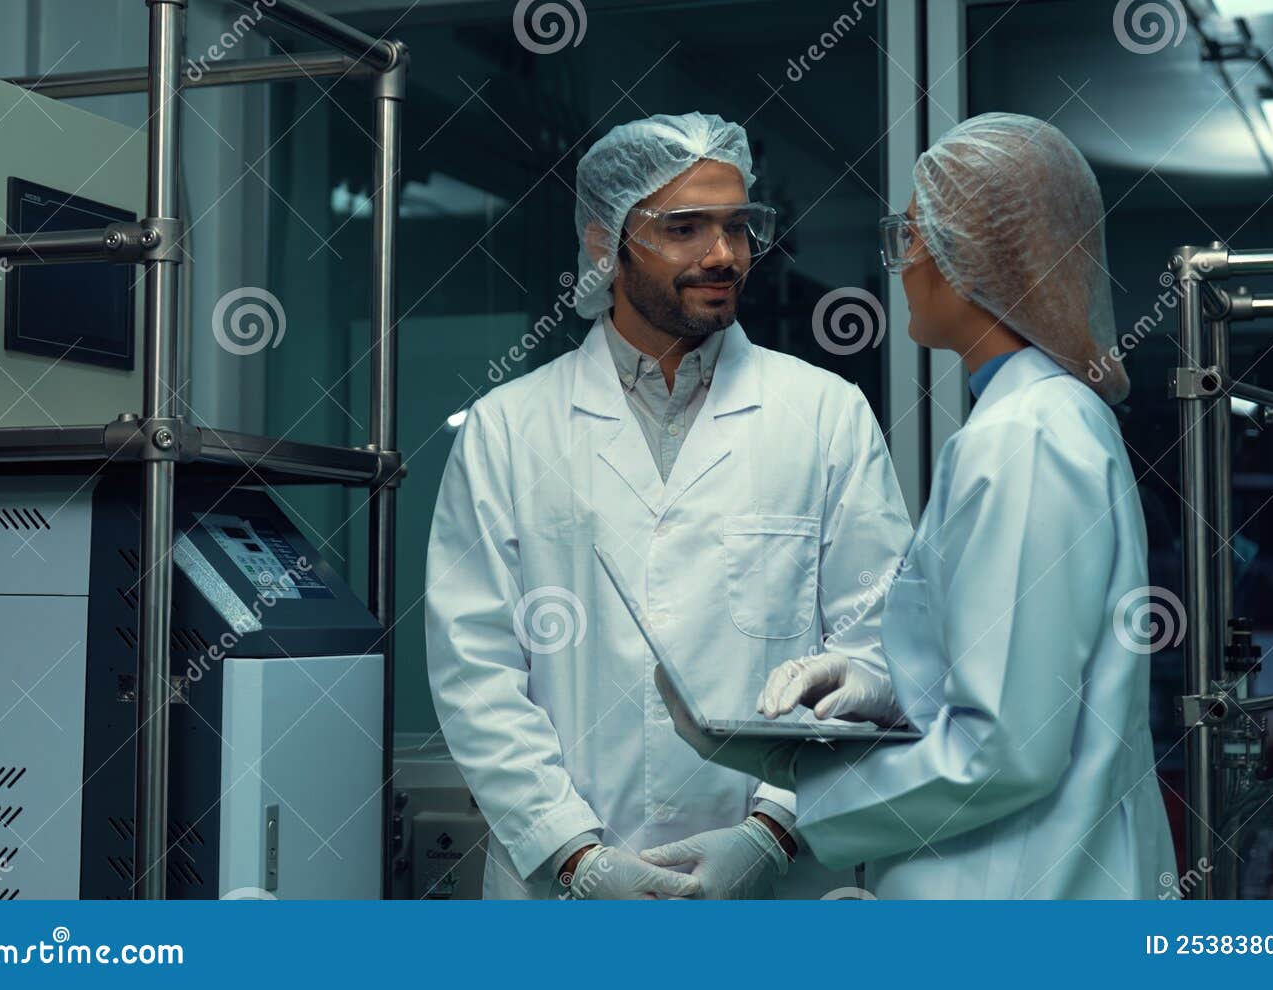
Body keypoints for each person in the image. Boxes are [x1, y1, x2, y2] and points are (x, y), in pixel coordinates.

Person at [661, 113, 1178, 899]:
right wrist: (883, 685)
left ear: (971, 257)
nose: (901, 264)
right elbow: (1014, 674)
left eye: (911, 235)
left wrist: (802, 789)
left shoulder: (1024, 437)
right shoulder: (1035, 420)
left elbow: (1007, 750)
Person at [425, 112, 913, 899]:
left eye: (738, 226)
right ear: (604, 243)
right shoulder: (508, 429)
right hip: (562, 896)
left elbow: (879, 649)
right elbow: (474, 668)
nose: (724, 255)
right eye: (684, 228)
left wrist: (769, 834)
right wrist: (575, 858)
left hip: (771, 883)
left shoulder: (826, 415)